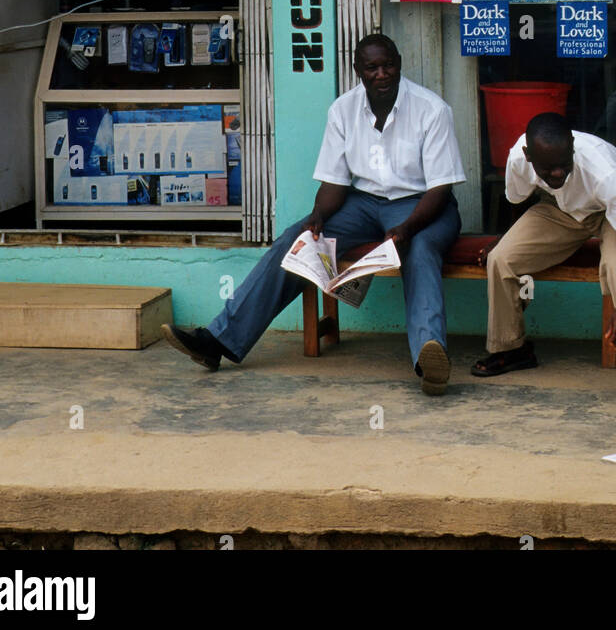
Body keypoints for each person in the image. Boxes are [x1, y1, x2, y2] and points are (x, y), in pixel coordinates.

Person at [162, 33, 466, 395]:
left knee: (419, 250)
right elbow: (336, 183)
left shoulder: (431, 109)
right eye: (372, 68)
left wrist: (406, 228)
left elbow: (441, 187)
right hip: (365, 203)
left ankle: (429, 361)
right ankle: (219, 341)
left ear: (399, 63)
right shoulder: (342, 110)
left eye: (389, 65)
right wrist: (318, 215)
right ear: (358, 71)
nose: (382, 74)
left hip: (425, 205)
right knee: (298, 239)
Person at [470, 111, 616, 412]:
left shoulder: (601, 171)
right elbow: (519, 200)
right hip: (562, 210)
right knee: (502, 258)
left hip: (615, 209)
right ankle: (512, 349)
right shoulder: (518, 159)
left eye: (563, 165)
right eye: (548, 169)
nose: (557, 174)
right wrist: (506, 238)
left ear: (572, 145)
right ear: (529, 156)